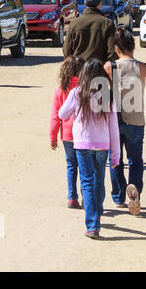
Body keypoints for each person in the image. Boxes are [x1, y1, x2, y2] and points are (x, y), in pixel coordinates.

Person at [57, 58, 121, 238]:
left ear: (83, 76)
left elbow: (62, 113)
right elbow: (113, 128)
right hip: (103, 146)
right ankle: (97, 212)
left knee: (87, 181)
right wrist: (115, 156)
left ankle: (93, 224)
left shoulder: (77, 93)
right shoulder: (107, 95)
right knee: (99, 179)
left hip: (82, 144)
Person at [105, 28, 146, 215]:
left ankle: (118, 196)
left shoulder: (109, 67)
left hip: (115, 121)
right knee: (135, 159)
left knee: (115, 159)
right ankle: (135, 191)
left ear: (117, 49)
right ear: (133, 47)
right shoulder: (144, 67)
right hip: (136, 119)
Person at [49, 56, 82, 209]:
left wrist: (53, 137)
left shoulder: (61, 90)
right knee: (84, 166)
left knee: (71, 165)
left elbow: (55, 116)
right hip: (83, 134)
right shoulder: (84, 87)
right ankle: (85, 195)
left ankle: (72, 197)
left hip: (67, 135)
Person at [63, 0, 117, 64]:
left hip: (79, 71)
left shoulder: (74, 23)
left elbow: (66, 51)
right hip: (99, 70)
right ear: (100, 3)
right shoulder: (107, 23)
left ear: (85, 4)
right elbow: (112, 53)